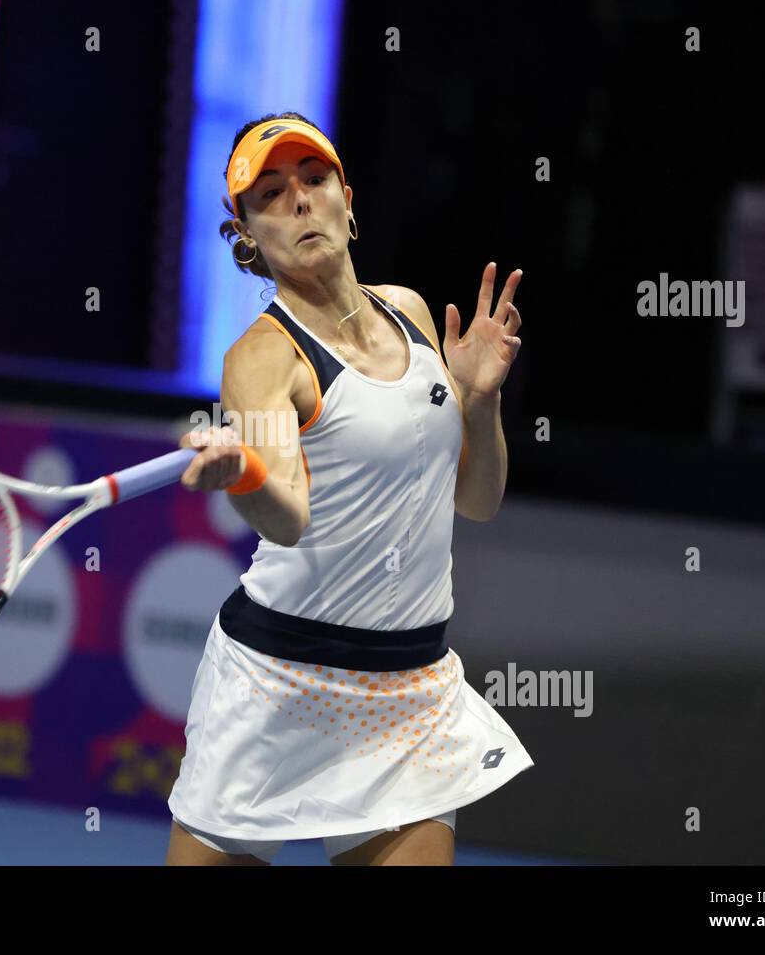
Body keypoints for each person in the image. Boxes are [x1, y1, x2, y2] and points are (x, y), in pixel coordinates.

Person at [166, 112, 532, 865]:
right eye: (269, 193)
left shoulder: (414, 312)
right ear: (246, 235)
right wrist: (246, 476)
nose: (299, 200)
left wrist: (483, 402)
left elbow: (478, 501)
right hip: (276, 683)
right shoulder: (263, 360)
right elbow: (289, 517)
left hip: (407, 690)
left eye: (314, 179)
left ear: (346, 197)